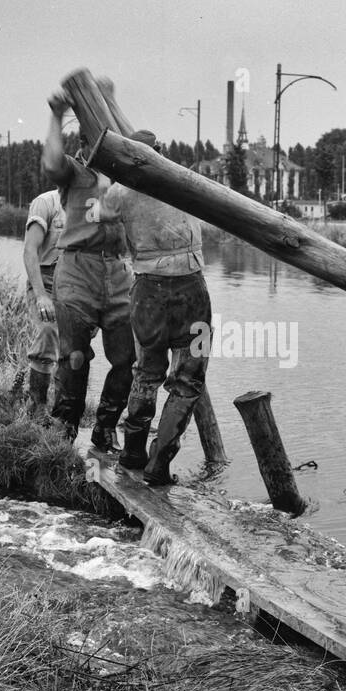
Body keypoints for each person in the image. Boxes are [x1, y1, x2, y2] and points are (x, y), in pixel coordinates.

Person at [108, 130, 211, 486]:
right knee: (188, 378)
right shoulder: (182, 182)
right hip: (190, 291)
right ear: (160, 153)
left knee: (146, 372)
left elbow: (103, 222)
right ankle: (159, 463)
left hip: (147, 291)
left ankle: (133, 452)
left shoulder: (118, 194)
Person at [40, 90, 135, 449]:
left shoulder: (124, 179)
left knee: (128, 359)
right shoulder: (75, 174)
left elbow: (145, 151)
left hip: (117, 273)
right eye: (90, 141)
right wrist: (56, 114)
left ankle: (106, 425)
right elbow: (51, 163)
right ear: (83, 145)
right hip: (78, 271)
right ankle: (65, 425)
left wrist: (109, 98)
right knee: (75, 357)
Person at [17, 186, 65, 410]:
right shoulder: (46, 202)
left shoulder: (92, 204)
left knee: (74, 347)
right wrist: (40, 296)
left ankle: (64, 412)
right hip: (45, 280)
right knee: (47, 331)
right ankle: (37, 406)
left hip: (76, 283)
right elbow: (30, 250)